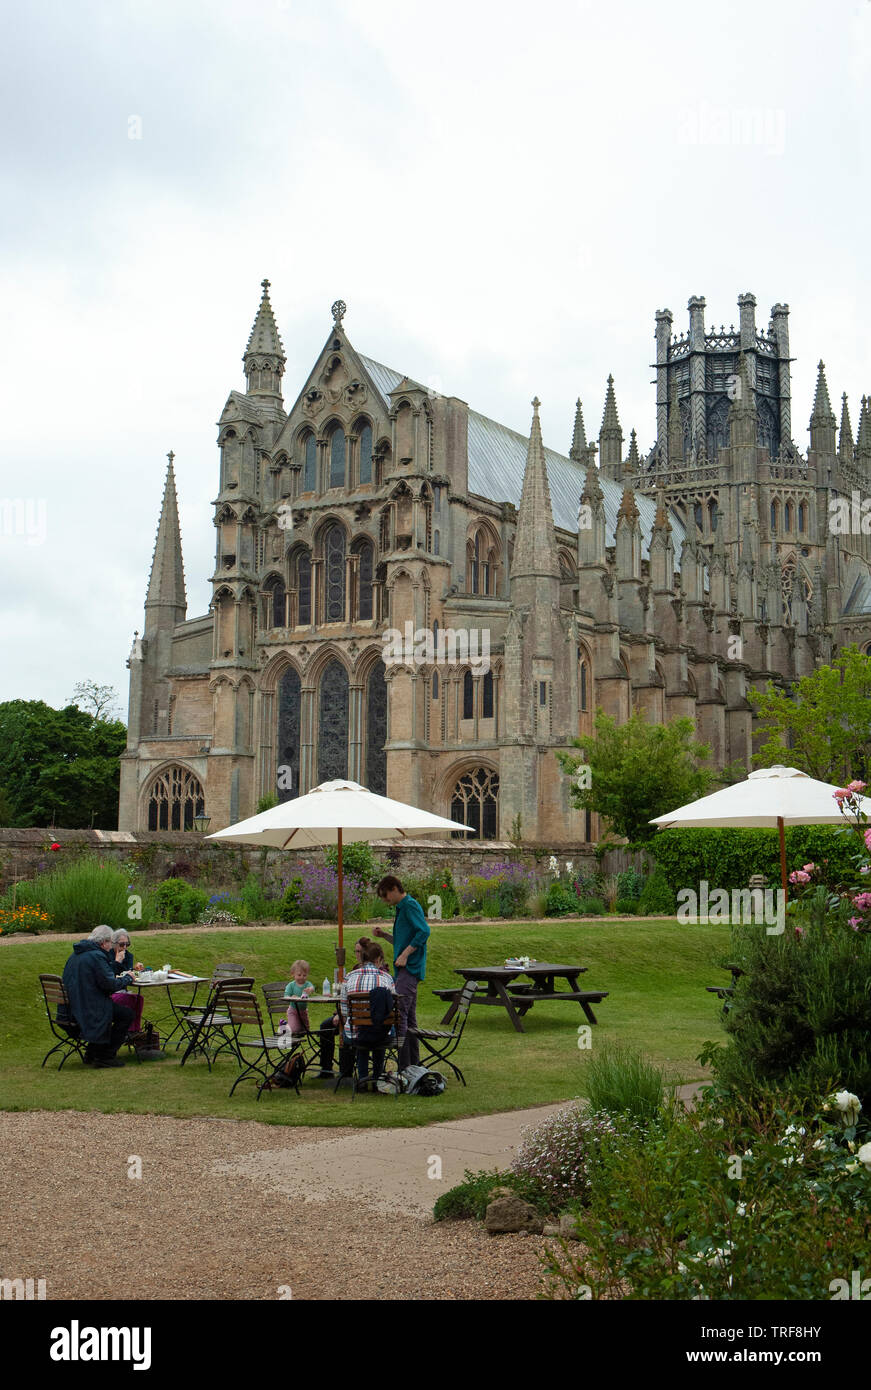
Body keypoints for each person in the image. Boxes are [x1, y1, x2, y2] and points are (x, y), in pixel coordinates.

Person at [373, 875, 430, 1070]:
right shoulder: (401, 908)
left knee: (400, 1015)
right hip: (404, 970)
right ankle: (414, 1065)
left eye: (385, 895)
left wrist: (405, 955)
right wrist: (385, 935)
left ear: (395, 888)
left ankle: (404, 1067)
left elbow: (424, 932)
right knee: (410, 1019)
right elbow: (402, 940)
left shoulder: (409, 905)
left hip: (409, 969)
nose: (385, 900)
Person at [61, 925, 136, 1068]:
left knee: (118, 1011)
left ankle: (93, 1051)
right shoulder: (96, 956)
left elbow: (102, 978)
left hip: (72, 1008)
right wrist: (128, 978)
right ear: (104, 942)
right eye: (111, 943)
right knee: (126, 1014)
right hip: (89, 1008)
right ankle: (105, 1055)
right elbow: (110, 985)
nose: (111, 947)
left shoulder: (76, 954)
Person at [336, 940, 396, 1091]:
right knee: (379, 1028)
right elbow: (392, 1007)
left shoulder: (349, 977)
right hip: (381, 1034)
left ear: (362, 958)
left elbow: (344, 1010)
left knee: (362, 1035)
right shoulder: (387, 978)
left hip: (356, 1035)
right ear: (378, 959)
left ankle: (362, 1080)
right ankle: (377, 1079)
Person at [317, 936, 370, 1077]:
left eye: (360, 951)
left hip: (362, 1018)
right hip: (349, 1014)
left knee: (347, 1028)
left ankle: (346, 1071)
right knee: (325, 1027)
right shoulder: (353, 970)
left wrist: (343, 1015)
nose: (358, 955)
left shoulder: (377, 971)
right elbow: (346, 998)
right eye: (356, 951)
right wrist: (338, 1013)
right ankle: (326, 1069)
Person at [110, 929, 145, 1036]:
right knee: (129, 998)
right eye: (121, 944)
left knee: (139, 998)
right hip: (111, 992)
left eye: (127, 944)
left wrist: (135, 970)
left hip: (123, 989)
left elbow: (127, 973)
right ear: (114, 944)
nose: (124, 947)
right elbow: (110, 974)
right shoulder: (108, 955)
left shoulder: (128, 956)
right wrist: (117, 961)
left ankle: (135, 1030)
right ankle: (126, 1032)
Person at [283, 959, 315, 1035]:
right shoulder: (291, 985)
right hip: (293, 1011)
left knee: (306, 1030)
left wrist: (310, 989)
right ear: (293, 974)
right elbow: (286, 996)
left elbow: (312, 987)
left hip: (303, 1011)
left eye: (304, 975)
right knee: (295, 1029)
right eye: (299, 975)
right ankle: (284, 1026)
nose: (302, 977)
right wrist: (291, 997)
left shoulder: (307, 984)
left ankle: (295, 1025)